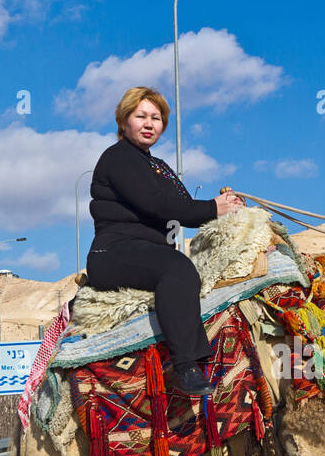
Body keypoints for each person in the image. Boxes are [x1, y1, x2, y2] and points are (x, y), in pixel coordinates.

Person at [85, 86, 244, 396]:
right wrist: (212, 207)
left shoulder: (157, 166)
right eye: (140, 116)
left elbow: (183, 208)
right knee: (178, 269)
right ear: (124, 121)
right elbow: (156, 205)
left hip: (149, 251)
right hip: (114, 251)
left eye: (156, 118)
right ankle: (186, 366)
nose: (149, 123)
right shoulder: (118, 158)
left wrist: (226, 208)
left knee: (181, 265)